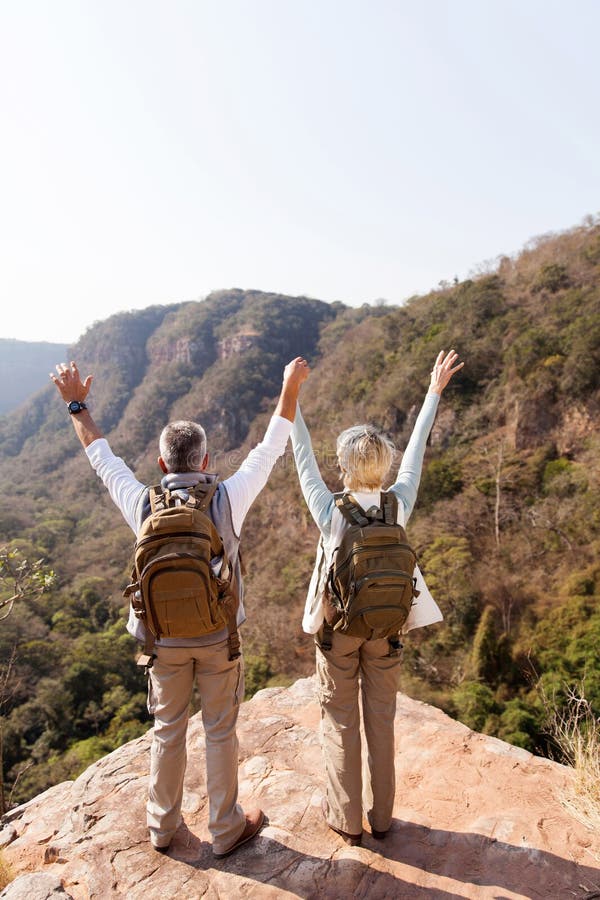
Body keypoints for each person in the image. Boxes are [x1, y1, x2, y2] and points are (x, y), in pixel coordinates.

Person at [50, 356, 309, 857]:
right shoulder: (229, 498)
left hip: (162, 641)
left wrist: (75, 402)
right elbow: (272, 444)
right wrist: (289, 387)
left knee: (167, 729)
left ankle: (162, 827)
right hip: (218, 639)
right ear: (207, 462)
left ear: (163, 465)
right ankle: (225, 827)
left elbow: (100, 457)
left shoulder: (143, 503)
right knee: (219, 729)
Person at [290, 349, 463, 845]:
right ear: (384, 466)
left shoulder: (330, 509)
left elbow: (301, 454)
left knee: (340, 721)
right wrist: (433, 392)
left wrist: (292, 399)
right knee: (381, 723)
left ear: (343, 466)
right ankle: (383, 819)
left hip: (338, 633)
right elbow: (418, 450)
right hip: (387, 629)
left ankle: (346, 823)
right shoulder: (399, 502)